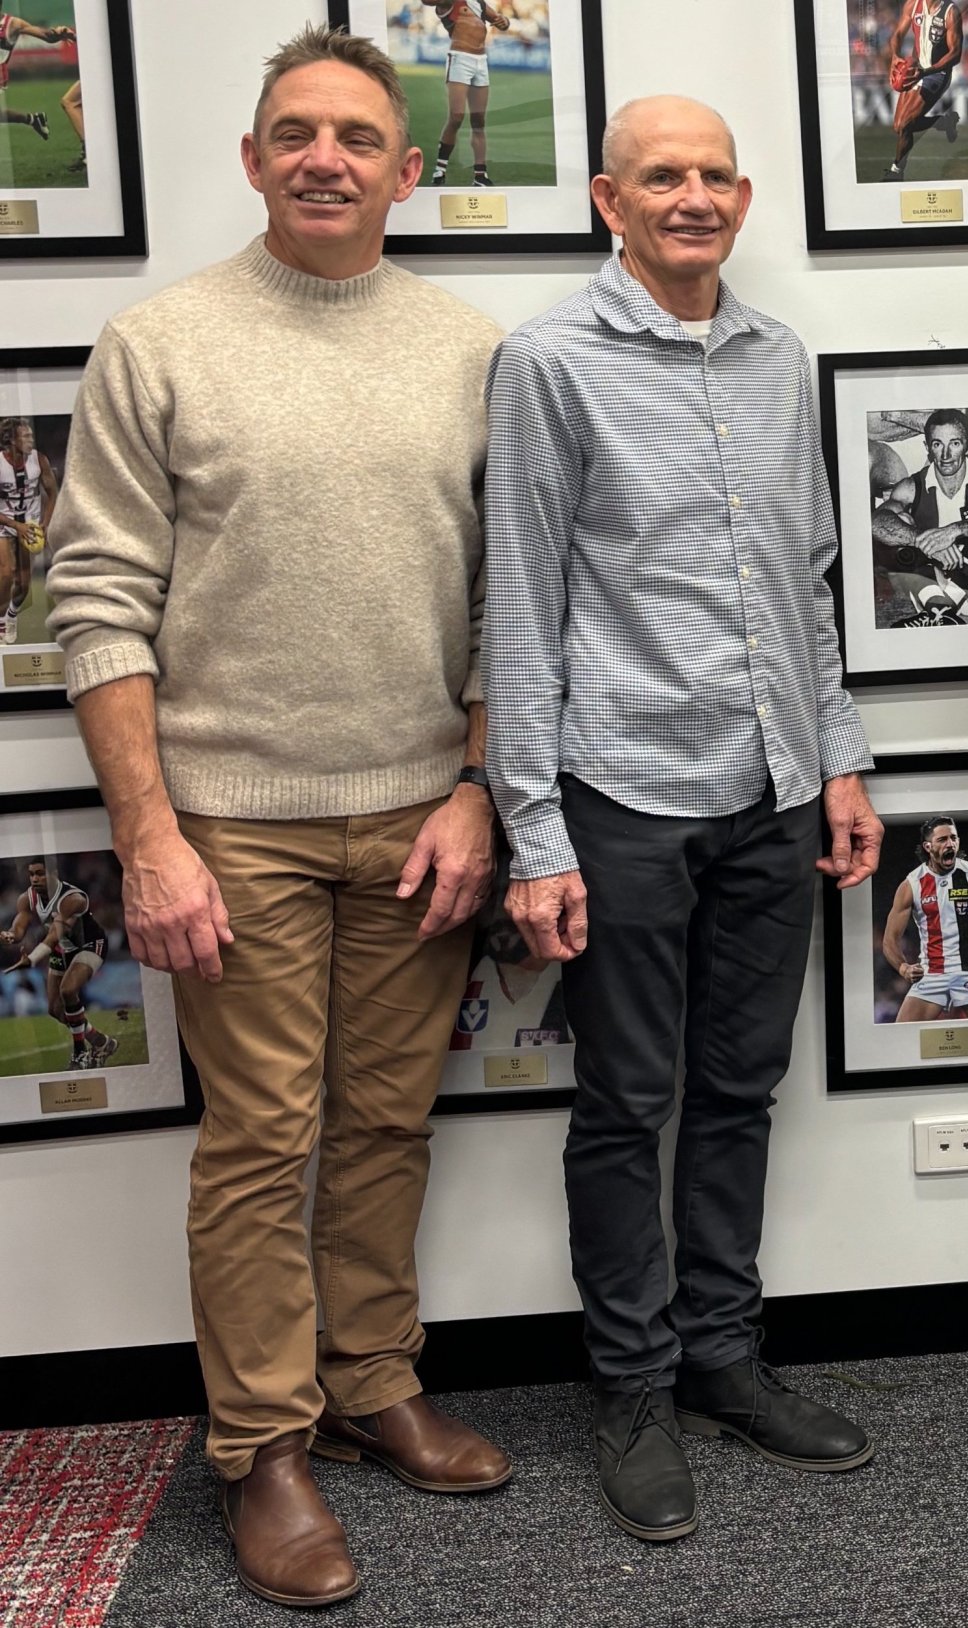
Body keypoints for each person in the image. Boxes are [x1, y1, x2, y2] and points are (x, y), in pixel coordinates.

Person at [45, 26, 511, 1610]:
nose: (326, 158)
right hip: (229, 824)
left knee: (385, 1123)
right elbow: (93, 603)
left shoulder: (470, 348)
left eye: (356, 137)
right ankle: (263, 1446)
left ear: (406, 166)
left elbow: (513, 606)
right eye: (294, 133)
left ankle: (373, 1384)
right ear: (251, 161)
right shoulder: (156, 341)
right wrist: (151, 837)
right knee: (260, 1141)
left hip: (418, 820)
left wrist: (474, 789)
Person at [483, 94, 884, 1546]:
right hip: (624, 796)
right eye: (664, 175)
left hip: (772, 795)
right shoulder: (549, 363)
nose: (694, 195)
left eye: (715, 174)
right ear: (609, 197)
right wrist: (533, 833)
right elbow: (520, 618)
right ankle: (632, 1387)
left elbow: (809, 586)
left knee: (737, 1094)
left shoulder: (780, 360)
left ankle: (723, 1358)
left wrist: (837, 762)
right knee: (624, 1107)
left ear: (744, 193)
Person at [869, 408, 968, 625]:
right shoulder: (912, 486)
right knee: (900, 523)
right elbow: (877, 523)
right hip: (930, 588)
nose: (946, 455)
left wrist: (953, 532)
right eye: (938, 444)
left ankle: (938, 612)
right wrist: (922, 539)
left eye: (955, 444)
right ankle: (940, 612)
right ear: (928, 447)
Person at [880, 816, 968, 1020]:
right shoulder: (912, 884)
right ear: (928, 846)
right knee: (903, 1040)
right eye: (942, 839)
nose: (950, 843)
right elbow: (890, 940)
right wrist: (903, 967)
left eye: (953, 838)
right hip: (932, 974)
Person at [0, 858, 114, 1067]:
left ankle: (80, 1053)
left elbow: (54, 934)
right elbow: (19, 928)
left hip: (89, 944)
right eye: (32, 874)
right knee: (54, 1009)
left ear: (53, 874)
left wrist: (33, 959)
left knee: (68, 990)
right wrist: (8, 935)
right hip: (62, 950)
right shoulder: (27, 898)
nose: (35, 879)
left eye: (40, 873)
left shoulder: (72, 899)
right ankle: (101, 1041)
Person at [426, 0, 511, 188]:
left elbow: (499, 21)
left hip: (481, 61)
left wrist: (504, 21)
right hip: (460, 58)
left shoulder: (478, 3)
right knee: (456, 116)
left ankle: (480, 175)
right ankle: (440, 170)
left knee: (478, 121)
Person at [881, 0, 963, 182]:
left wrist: (927, 71)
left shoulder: (950, 12)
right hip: (917, 69)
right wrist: (895, 56)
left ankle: (896, 171)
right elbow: (897, 35)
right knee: (898, 126)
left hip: (937, 73)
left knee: (904, 125)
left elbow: (955, 53)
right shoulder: (913, 4)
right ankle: (943, 122)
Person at [0, 417, 58, 645]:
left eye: (30, 435)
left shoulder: (39, 460)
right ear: (11, 440)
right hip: (5, 525)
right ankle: (1, 623)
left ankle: (11, 616)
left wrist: (44, 523)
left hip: (30, 524)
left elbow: (53, 493)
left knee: (23, 584)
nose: (30, 439)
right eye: (25, 436)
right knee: (5, 573)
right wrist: (17, 526)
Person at [0, 12, 73, 146]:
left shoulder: (12, 23)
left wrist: (58, 32)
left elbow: (47, 36)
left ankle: (32, 120)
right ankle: (33, 120)